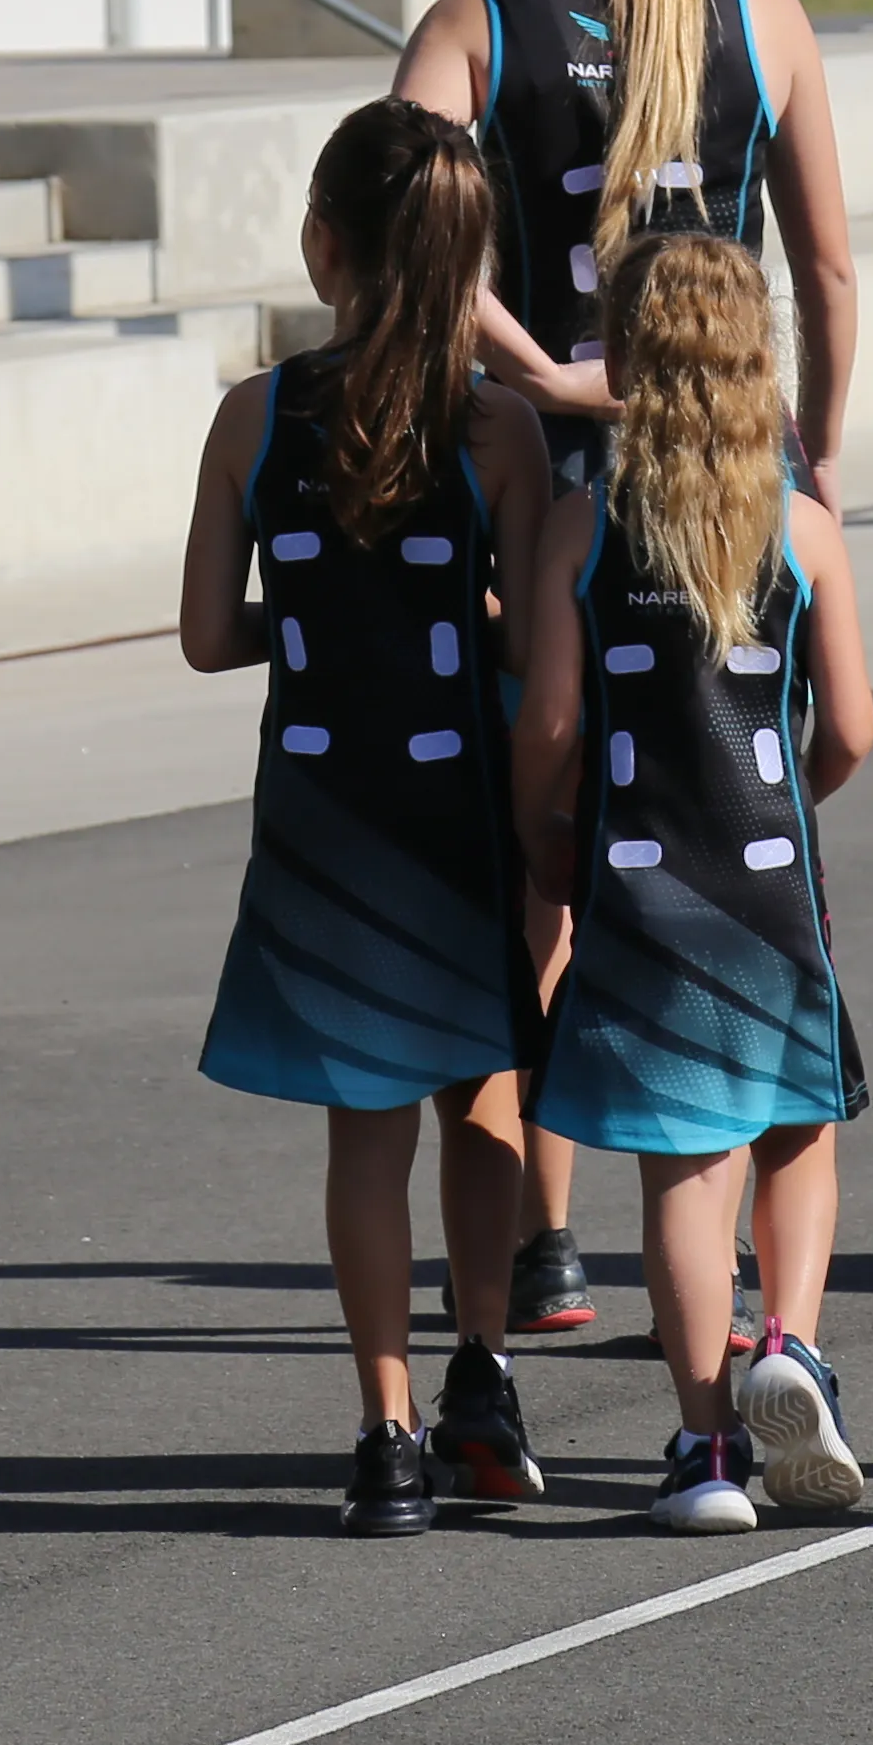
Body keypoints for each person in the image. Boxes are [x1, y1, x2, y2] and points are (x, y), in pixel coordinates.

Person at [393, 0, 864, 1340]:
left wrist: (541, 374)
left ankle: (547, 1235)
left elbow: (404, 243)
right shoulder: (765, 6)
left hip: (550, 488)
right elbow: (830, 270)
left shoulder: (473, 26)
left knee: (551, 843)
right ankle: (745, 1266)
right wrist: (815, 466)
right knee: (738, 817)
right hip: (734, 480)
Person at [179, 99, 561, 1536]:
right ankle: (483, 1369)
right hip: (458, 810)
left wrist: (329, 621)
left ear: (321, 243)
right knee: (486, 1093)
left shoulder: (253, 415)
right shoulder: (500, 431)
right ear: (473, 259)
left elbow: (211, 635)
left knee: (362, 1132)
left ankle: (383, 1429)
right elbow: (529, 651)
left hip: (326, 810)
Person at [510, 234, 873, 1533]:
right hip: (771, 877)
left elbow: (552, 721)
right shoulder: (806, 529)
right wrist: (792, 810)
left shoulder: (586, 523)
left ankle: (706, 1448)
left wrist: (543, 832)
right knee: (798, 1126)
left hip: (637, 876)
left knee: (682, 1165)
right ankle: (790, 1338)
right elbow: (852, 730)